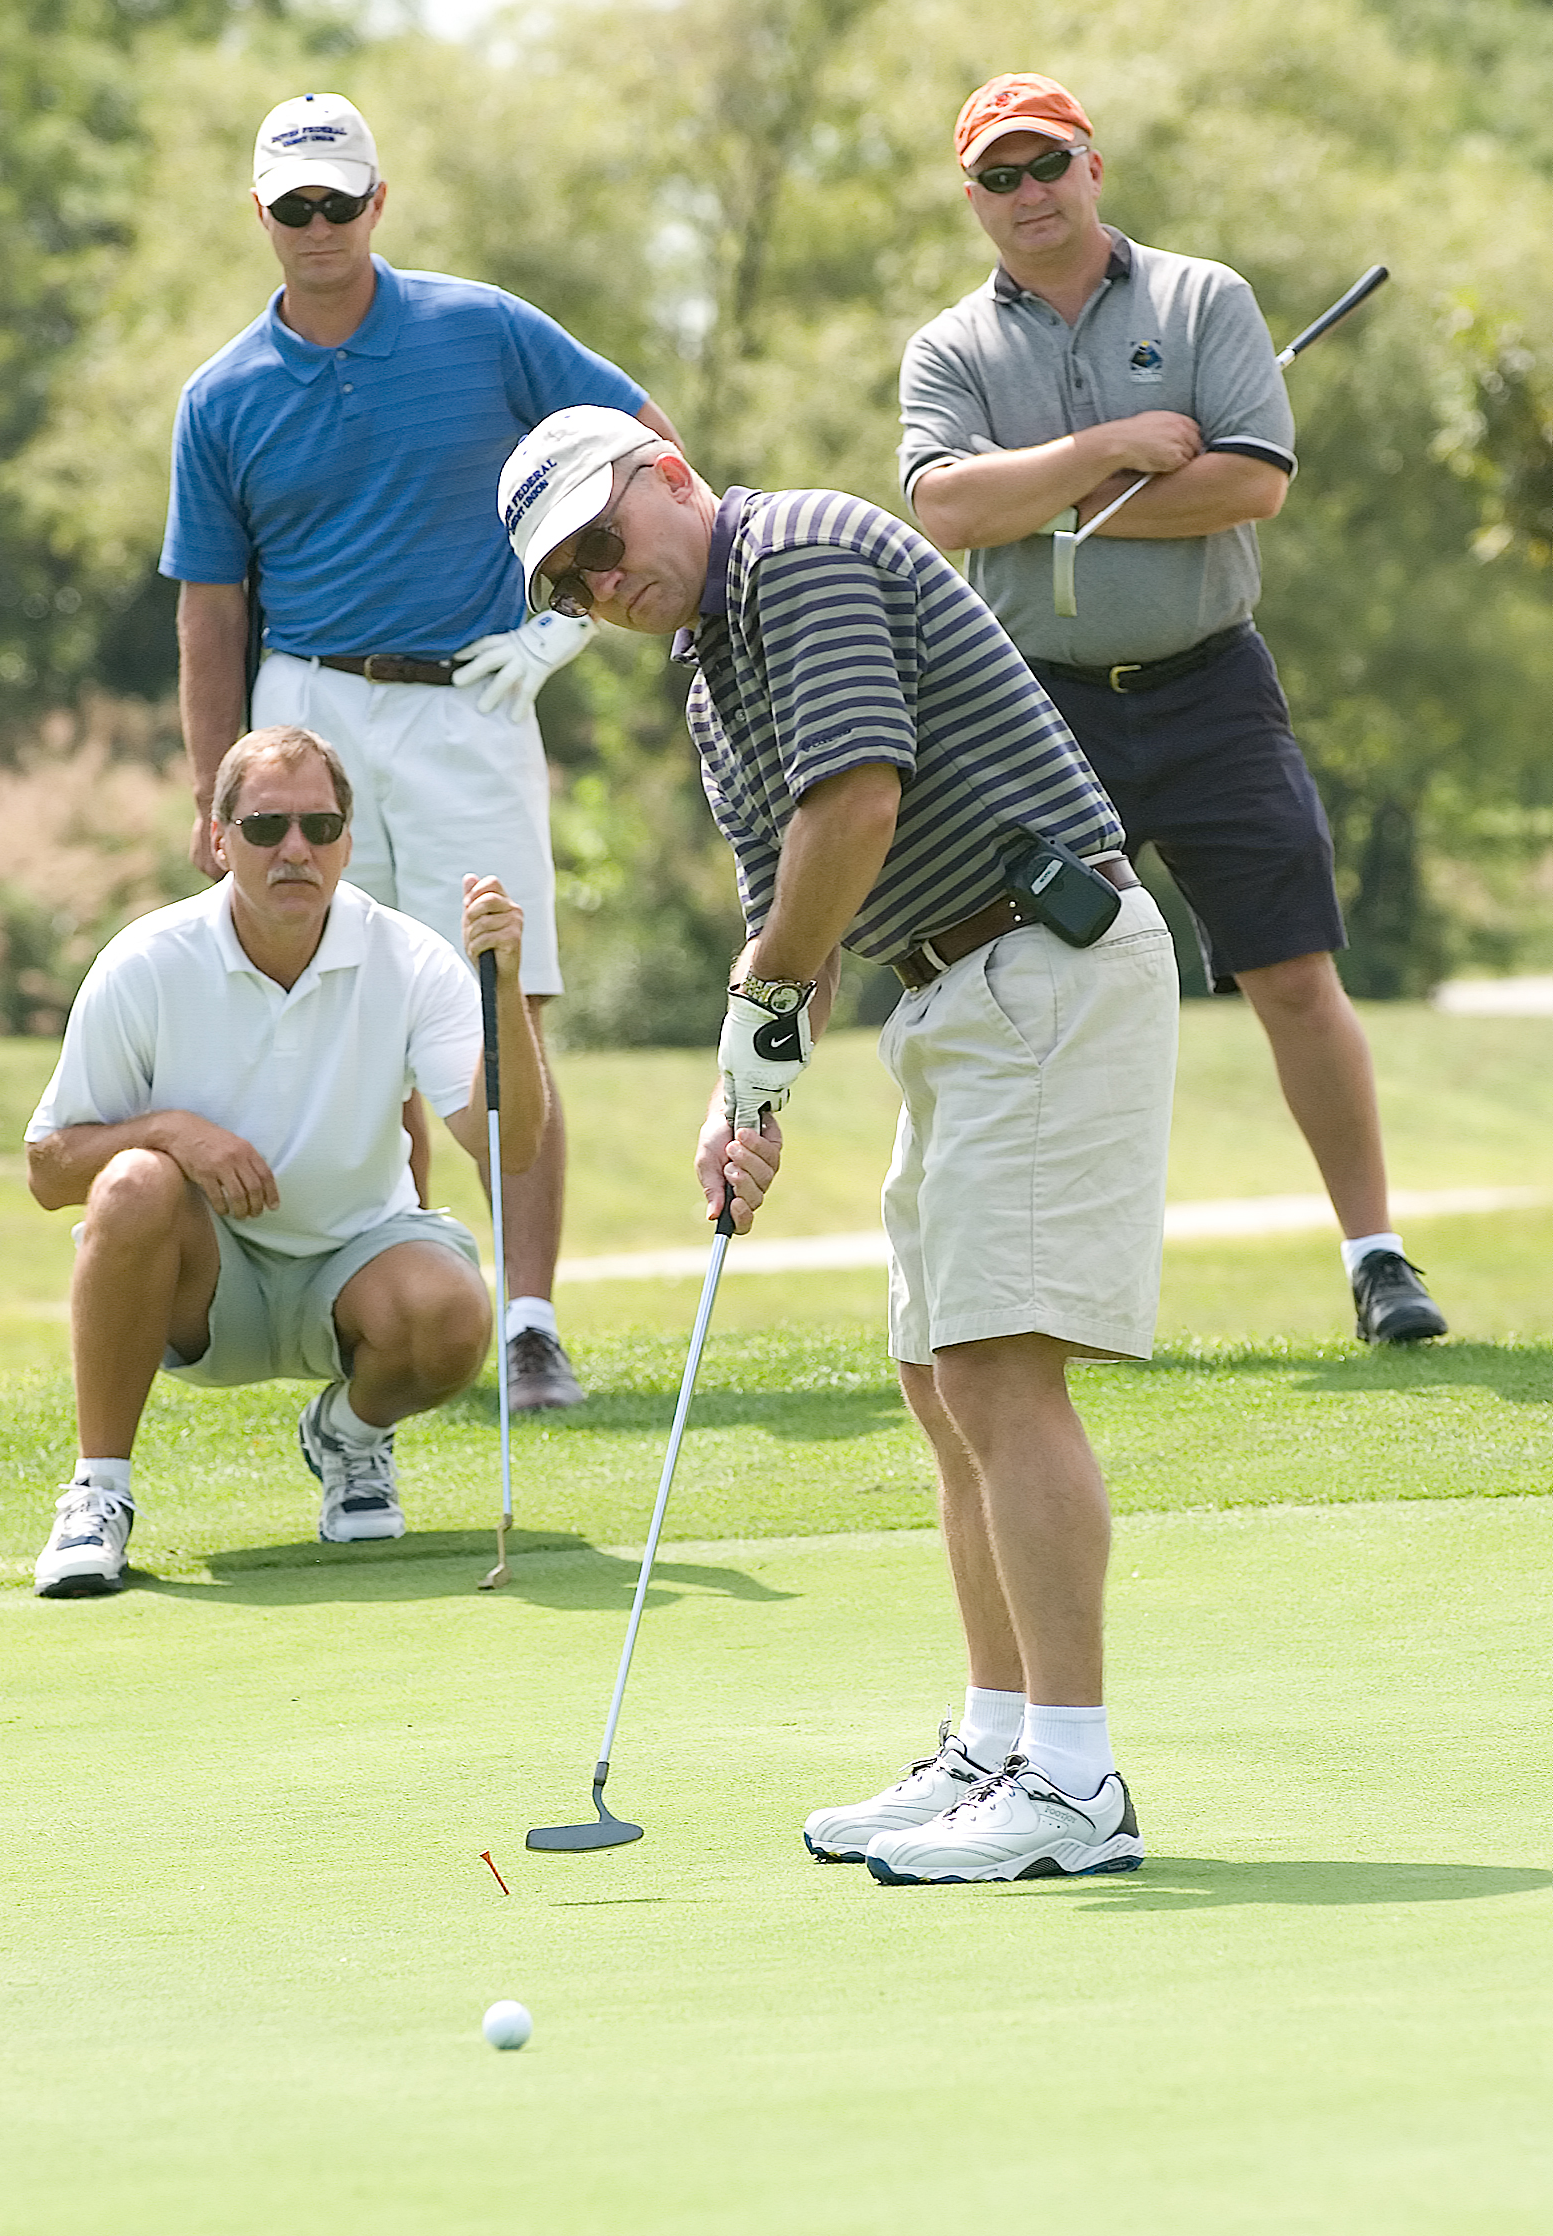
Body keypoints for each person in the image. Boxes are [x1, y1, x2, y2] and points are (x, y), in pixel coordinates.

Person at [496, 404, 1181, 1885]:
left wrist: (761, 1026)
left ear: (667, 477)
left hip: (1043, 956)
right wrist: (741, 1098)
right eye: (567, 584)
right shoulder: (705, 669)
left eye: (603, 543)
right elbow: (780, 915)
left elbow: (853, 808)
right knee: (938, 1376)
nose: (601, 586)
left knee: (999, 1361)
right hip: (953, 991)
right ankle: (998, 1740)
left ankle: (1072, 1775)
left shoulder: (797, 551)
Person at [898, 73, 1447, 1348]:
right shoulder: (950, 349)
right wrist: (1111, 450)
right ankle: (1005, 1285)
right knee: (1007, 976)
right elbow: (947, 513)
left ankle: (1377, 1258)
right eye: (999, 176)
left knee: (1292, 970)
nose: (1028, 194)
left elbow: (1250, 486)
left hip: (1210, 683)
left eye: (1048, 166)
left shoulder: (1205, 300)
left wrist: (1040, 506)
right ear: (973, 196)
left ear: (1093, 166)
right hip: (1028, 706)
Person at [160, 91, 682, 1410]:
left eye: (341, 202)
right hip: (306, 715)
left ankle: (525, 1322)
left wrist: (570, 624)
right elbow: (210, 610)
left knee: (502, 1000)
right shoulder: (219, 397)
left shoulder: (482, 325)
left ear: (377, 203)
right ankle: (397, 1291)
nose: (320, 225)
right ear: (263, 217)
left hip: (472, 701)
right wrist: (213, 793)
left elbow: (646, 449)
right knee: (352, 1002)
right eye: (295, 207)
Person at [25, 724, 545, 1598]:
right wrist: (176, 1133)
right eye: (266, 828)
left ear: (347, 838)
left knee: (451, 1311)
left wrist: (505, 988)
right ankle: (96, 1493)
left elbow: (510, 1141)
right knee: (134, 1179)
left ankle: (347, 1432)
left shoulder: (411, 958)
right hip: (203, 1281)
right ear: (220, 838)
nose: (294, 849)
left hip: (356, 1265)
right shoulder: (147, 962)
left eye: (319, 826)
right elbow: (48, 1169)